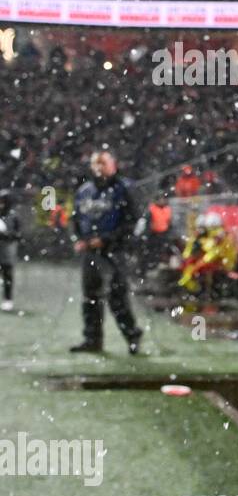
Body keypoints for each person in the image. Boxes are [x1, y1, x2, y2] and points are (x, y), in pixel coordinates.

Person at [70, 150, 144, 355]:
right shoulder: (84, 190)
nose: (99, 167)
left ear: (114, 165)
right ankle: (92, 339)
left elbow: (132, 221)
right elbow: (75, 219)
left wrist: (106, 239)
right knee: (90, 296)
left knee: (116, 295)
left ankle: (132, 334)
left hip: (116, 251)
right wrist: (80, 239)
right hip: (91, 253)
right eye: (96, 163)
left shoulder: (124, 189)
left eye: (103, 162)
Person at [0, 189, 20, 312]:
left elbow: (18, 234)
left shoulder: (13, 216)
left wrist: (6, 235)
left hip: (7, 251)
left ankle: (8, 299)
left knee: (7, 276)